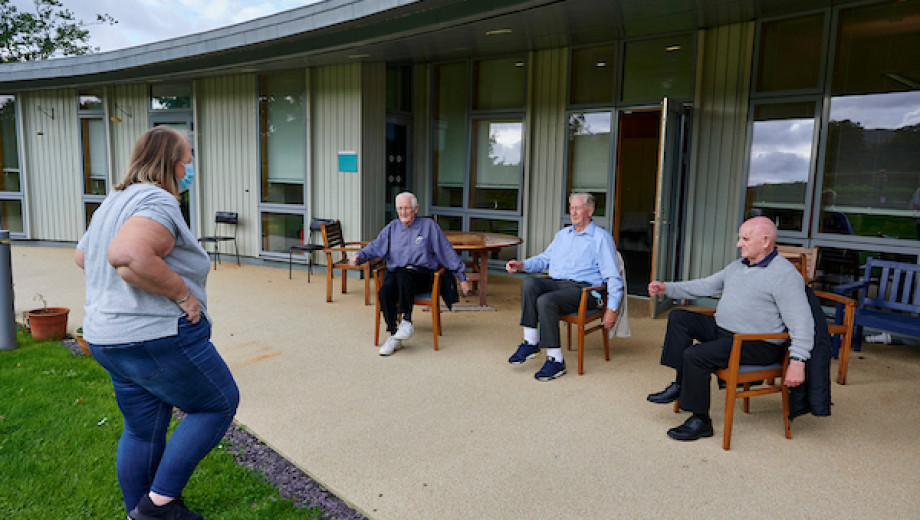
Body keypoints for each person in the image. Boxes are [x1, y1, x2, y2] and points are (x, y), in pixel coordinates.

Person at [75, 126, 239, 520]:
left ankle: (139, 514)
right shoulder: (157, 200)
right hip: (156, 336)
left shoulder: (115, 200)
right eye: (189, 159)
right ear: (172, 162)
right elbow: (129, 254)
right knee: (216, 404)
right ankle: (160, 505)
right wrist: (182, 294)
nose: (191, 167)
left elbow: (84, 257)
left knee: (141, 430)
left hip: (107, 337)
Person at [646, 216, 813, 441]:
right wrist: (667, 288)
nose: (739, 244)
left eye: (745, 238)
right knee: (679, 317)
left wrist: (798, 361)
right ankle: (681, 382)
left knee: (695, 355)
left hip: (756, 344)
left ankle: (701, 421)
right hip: (725, 331)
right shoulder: (737, 266)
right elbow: (705, 285)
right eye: (739, 238)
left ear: (765, 241)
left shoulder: (784, 275)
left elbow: (802, 320)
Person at [505, 193, 624, 381]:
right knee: (529, 283)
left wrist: (612, 308)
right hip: (559, 284)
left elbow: (613, 276)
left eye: (578, 208)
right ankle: (530, 341)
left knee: (546, 301)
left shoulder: (601, 238)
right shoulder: (562, 235)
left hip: (586, 291)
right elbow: (545, 259)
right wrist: (522, 264)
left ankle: (555, 360)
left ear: (590, 210)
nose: (573, 212)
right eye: (571, 208)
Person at [350, 192, 471, 356]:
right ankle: (394, 334)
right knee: (384, 291)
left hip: (422, 275)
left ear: (416, 209)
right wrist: (359, 256)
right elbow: (375, 246)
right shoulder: (392, 227)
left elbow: (446, 252)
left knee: (404, 274)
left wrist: (461, 277)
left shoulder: (428, 226)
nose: (403, 212)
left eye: (407, 208)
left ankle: (407, 320)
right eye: (400, 208)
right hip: (398, 274)